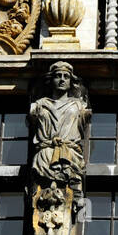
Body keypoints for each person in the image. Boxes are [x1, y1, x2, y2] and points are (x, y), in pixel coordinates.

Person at [29, 61, 91, 211]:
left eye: (66, 76)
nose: (62, 79)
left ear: (71, 81)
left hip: (69, 154)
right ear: (51, 80)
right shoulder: (39, 105)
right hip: (45, 155)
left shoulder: (79, 106)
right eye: (58, 76)